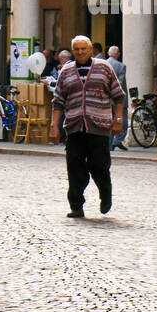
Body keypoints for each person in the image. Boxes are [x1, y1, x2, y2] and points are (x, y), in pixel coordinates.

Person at [50, 35, 124, 218]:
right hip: (74, 126)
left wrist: (119, 120)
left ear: (91, 50)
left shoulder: (104, 68)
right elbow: (58, 100)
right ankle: (76, 206)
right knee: (74, 167)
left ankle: (105, 194)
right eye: (77, 49)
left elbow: (118, 95)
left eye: (84, 49)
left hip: (99, 125)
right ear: (73, 50)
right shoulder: (66, 71)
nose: (80, 52)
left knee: (99, 165)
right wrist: (54, 125)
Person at [106, 45, 128, 150]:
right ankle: (117, 140)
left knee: (109, 121)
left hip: (106, 98)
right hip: (119, 98)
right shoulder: (121, 66)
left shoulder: (103, 64)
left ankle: (110, 144)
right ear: (118, 54)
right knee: (121, 120)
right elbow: (120, 82)